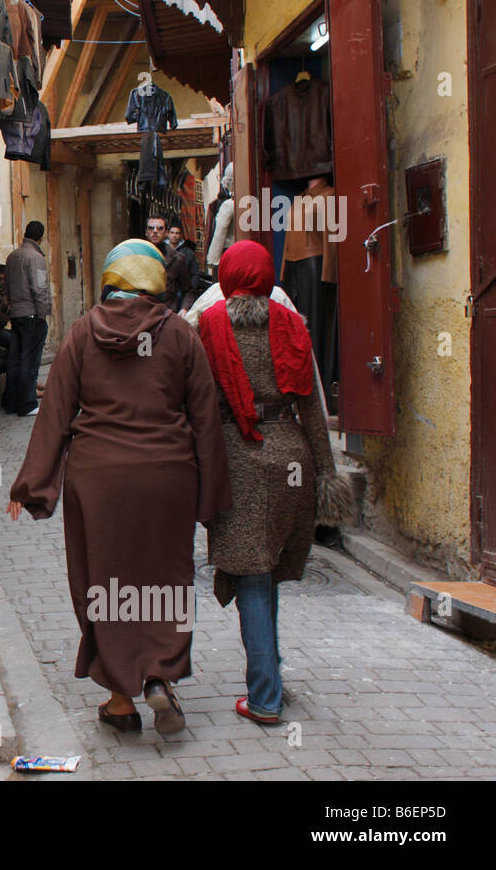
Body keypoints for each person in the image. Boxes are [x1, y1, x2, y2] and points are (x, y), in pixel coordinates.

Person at [7, 239, 232, 735]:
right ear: (157, 281)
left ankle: (119, 698)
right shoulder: (179, 335)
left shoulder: (83, 333)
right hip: (167, 478)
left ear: (110, 281)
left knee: (104, 582)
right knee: (165, 576)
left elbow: (57, 411)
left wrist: (29, 485)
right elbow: (205, 418)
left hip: (99, 479)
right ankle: (158, 675)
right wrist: (213, 494)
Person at [196, 241, 354, 725]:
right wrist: (326, 473)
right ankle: (272, 675)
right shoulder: (292, 327)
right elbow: (312, 406)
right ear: (267, 277)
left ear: (226, 276)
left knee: (253, 574)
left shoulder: (208, 326)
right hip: (290, 455)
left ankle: (264, 695)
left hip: (236, 456)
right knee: (264, 571)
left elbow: (197, 404)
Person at [2, 221, 51, 416]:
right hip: (32, 315)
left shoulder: (12, 257)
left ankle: (12, 402)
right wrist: (42, 314)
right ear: (41, 238)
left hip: (17, 315)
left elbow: (7, 286)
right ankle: (28, 404)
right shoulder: (36, 257)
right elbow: (39, 289)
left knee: (16, 360)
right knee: (30, 361)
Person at [146, 213, 191, 313]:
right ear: (146, 232)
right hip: (143, 312)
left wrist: (184, 309)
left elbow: (188, 290)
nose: (155, 231)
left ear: (166, 233)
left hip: (166, 313)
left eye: (160, 228)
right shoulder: (138, 256)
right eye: (151, 228)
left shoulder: (177, 259)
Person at [167, 220, 201, 311]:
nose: (174, 235)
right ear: (167, 234)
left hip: (182, 290)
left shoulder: (188, 253)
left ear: (181, 235)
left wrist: (192, 289)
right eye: (172, 233)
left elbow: (195, 273)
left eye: (177, 233)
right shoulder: (162, 250)